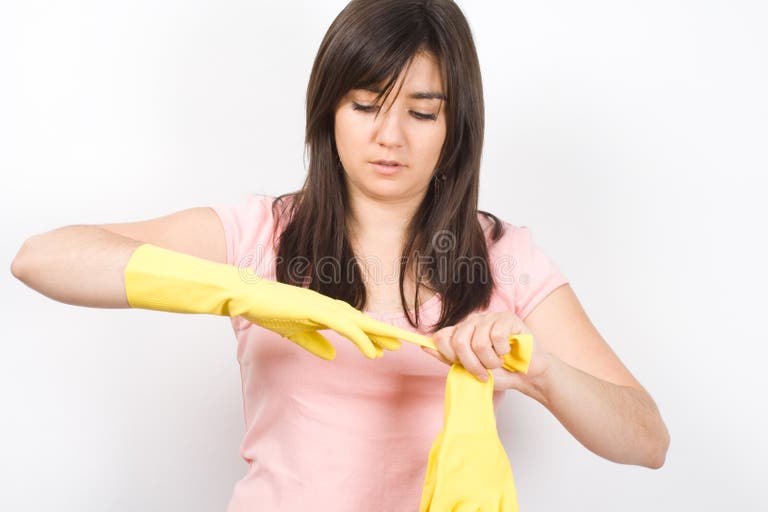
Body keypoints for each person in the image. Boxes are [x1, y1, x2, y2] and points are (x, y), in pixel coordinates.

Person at [10, 0, 670, 510]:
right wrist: (247, 293)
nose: (389, 137)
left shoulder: (504, 258)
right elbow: (43, 258)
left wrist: (539, 368)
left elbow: (646, 438)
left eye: (421, 112)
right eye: (365, 104)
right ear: (329, 110)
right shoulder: (261, 235)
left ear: (455, 125)